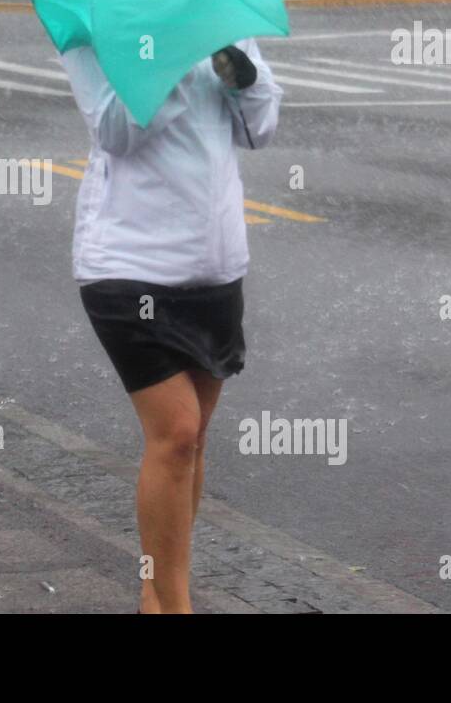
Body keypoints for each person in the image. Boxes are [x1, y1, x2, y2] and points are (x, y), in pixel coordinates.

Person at [61, 39, 282, 613]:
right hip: (128, 263)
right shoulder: (96, 26)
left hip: (214, 262)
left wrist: (245, 77)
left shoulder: (218, 18)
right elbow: (115, 131)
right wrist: (167, 59)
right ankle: (175, 605)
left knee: (192, 440)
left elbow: (259, 129)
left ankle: (155, 593)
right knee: (177, 432)